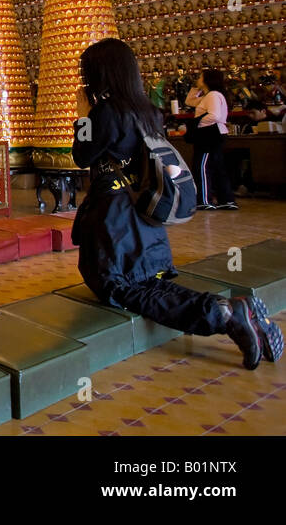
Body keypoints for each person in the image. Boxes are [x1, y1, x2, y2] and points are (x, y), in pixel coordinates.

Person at [72, 39, 281, 369]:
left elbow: (82, 156)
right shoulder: (146, 111)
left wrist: (84, 116)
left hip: (114, 218)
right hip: (145, 213)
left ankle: (224, 314)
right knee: (146, 284)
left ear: (101, 74)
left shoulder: (106, 113)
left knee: (121, 287)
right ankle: (233, 311)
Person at [185, 68, 235, 209]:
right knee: (217, 167)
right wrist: (196, 87)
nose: (198, 79)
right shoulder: (209, 96)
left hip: (209, 134)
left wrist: (197, 123)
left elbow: (214, 115)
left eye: (200, 77)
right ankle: (226, 199)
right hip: (215, 133)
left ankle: (204, 200)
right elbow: (189, 101)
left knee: (202, 166)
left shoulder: (212, 95)